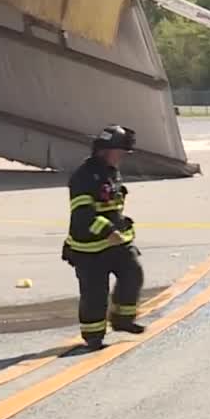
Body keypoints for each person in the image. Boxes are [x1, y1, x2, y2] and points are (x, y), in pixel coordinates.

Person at [61, 125, 145, 351]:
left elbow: (111, 205)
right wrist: (109, 230)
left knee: (132, 274)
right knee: (95, 293)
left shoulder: (111, 171)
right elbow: (82, 216)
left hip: (115, 243)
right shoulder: (84, 177)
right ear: (106, 150)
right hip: (89, 248)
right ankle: (93, 336)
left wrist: (121, 226)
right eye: (121, 152)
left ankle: (122, 320)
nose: (124, 157)